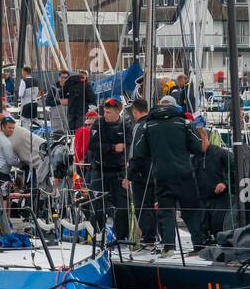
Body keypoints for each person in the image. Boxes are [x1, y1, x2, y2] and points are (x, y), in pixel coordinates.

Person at [129, 97, 209, 251]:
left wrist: (131, 174)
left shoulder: (148, 125)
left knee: (166, 212)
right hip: (184, 174)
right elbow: (199, 148)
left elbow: (139, 153)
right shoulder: (183, 123)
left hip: (162, 175)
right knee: (191, 211)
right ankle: (199, 244)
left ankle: (168, 246)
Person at [87, 98, 131, 243]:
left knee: (122, 207)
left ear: (118, 111)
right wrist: (113, 148)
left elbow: (130, 148)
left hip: (119, 170)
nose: (105, 115)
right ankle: (96, 237)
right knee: (97, 206)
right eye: (104, 112)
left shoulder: (126, 125)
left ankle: (122, 238)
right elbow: (92, 145)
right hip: (100, 170)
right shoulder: (98, 124)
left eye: (109, 112)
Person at [123, 98, 158, 245]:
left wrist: (128, 176)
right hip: (155, 172)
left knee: (142, 207)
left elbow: (135, 154)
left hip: (141, 174)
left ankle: (148, 239)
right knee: (153, 207)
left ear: (135, 111)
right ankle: (156, 237)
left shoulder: (138, 126)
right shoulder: (154, 124)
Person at [194, 121, 232, 239]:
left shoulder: (220, 153)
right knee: (201, 227)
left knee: (218, 227)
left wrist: (225, 183)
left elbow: (235, 169)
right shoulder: (194, 156)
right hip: (201, 198)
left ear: (205, 139)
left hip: (219, 198)